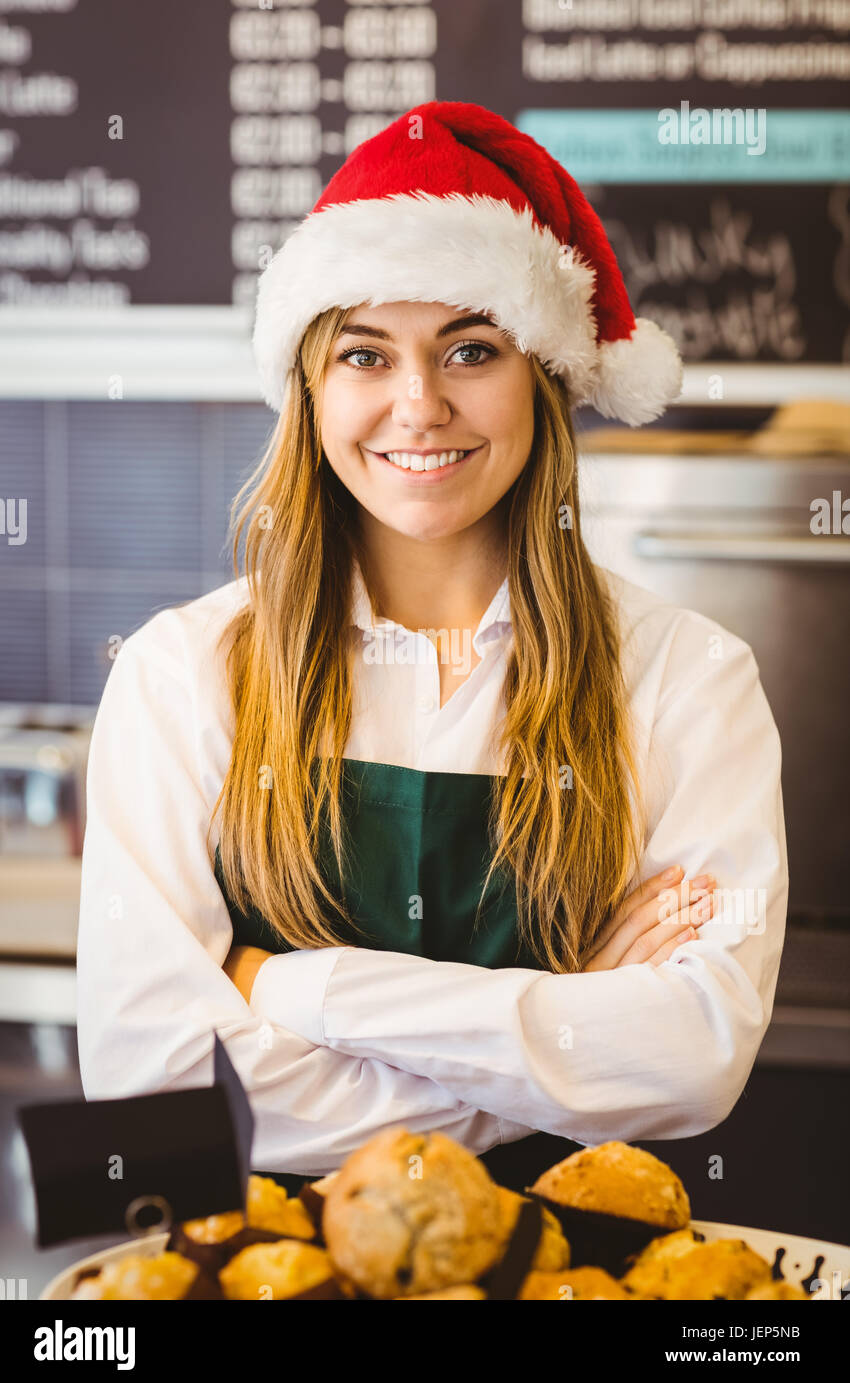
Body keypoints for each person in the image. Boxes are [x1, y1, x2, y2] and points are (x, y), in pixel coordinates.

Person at [76, 102, 788, 1194]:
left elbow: (690, 1062)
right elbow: (159, 1106)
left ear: (543, 381)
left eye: (470, 348)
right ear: (312, 390)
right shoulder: (180, 674)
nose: (418, 405)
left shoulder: (686, 676)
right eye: (365, 353)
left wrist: (287, 992)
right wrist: (568, 1005)